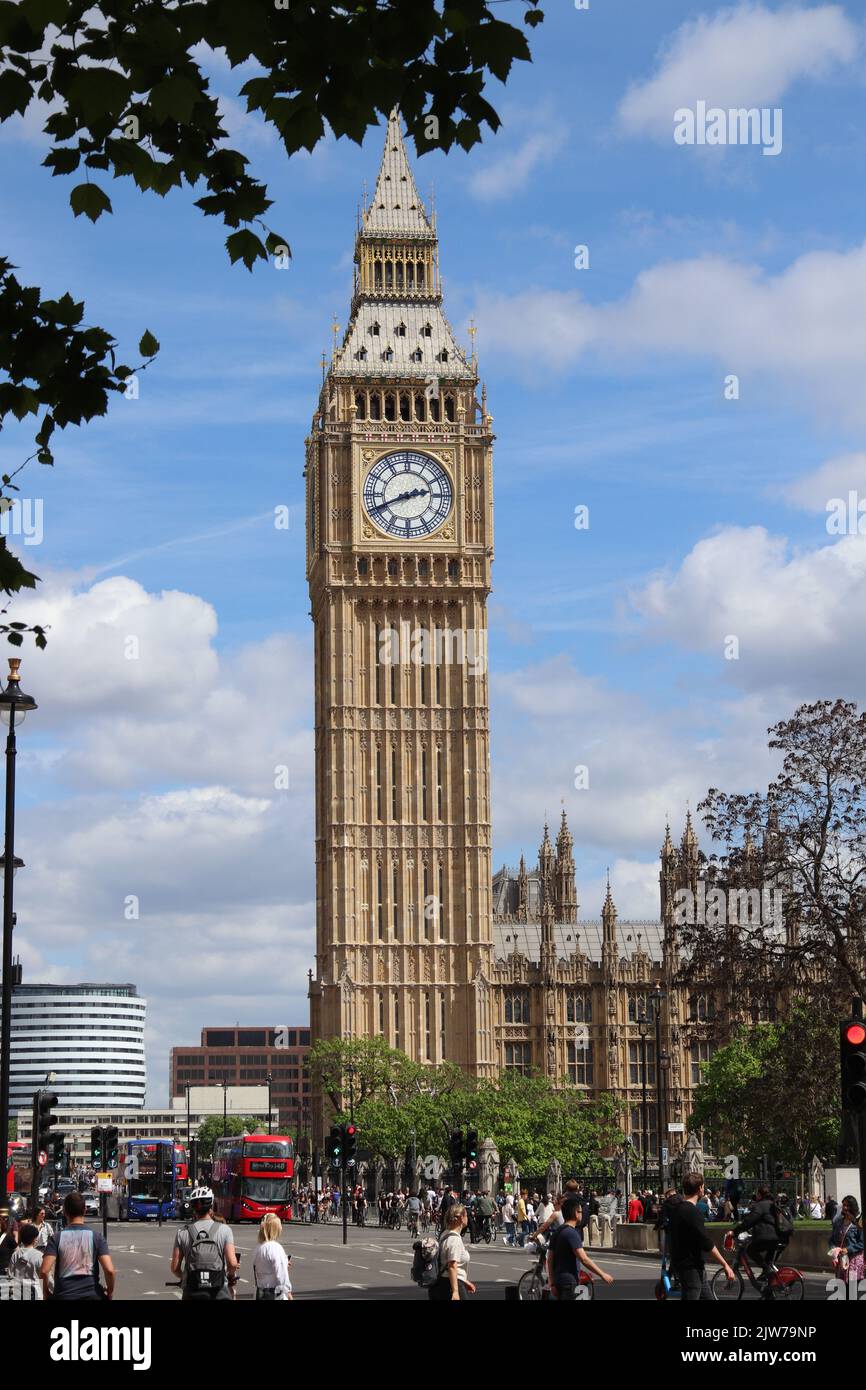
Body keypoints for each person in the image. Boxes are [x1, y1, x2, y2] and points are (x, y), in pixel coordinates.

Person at [668, 1173, 734, 1301]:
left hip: (688, 1266)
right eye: (703, 1186)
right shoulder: (692, 1212)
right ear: (700, 1188)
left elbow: (672, 1242)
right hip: (691, 1268)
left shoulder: (677, 1210)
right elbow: (706, 1242)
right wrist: (725, 1264)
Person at [40, 1193, 114, 1301]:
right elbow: (109, 1270)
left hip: (63, 1294)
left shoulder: (56, 1238)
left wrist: (46, 1293)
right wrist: (110, 1292)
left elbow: (44, 1271)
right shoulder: (96, 1237)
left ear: (65, 1212)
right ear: (84, 1210)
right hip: (92, 1294)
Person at [171, 1185, 238, 1301]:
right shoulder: (224, 1230)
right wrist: (229, 1276)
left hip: (192, 1292)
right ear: (211, 1205)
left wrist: (185, 1278)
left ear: (193, 1207)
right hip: (218, 1292)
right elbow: (232, 1263)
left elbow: (174, 1268)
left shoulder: (182, 1232)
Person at [548, 1196, 615, 1300]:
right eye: (581, 1211)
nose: (582, 1214)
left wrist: (552, 1283)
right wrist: (602, 1274)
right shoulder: (572, 1233)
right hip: (569, 1283)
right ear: (576, 1213)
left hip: (558, 1281)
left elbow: (550, 1259)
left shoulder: (557, 1231)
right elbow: (584, 1259)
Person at [732, 1185, 780, 1289]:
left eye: (757, 1194)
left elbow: (749, 1221)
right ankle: (768, 1291)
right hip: (776, 1237)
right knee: (767, 1265)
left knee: (750, 1250)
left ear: (759, 1195)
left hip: (767, 1236)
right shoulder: (772, 1204)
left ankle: (768, 1271)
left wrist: (735, 1232)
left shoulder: (760, 1205)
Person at [428, 1203, 476, 1301]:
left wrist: (464, 1280)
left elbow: (444, 1262)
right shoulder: (455, 1240)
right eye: (466, 1215)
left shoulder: (445, 1234)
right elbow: (452, 1266)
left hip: (440, 1283)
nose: (468, 1218)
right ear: (461, 1218)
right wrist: (455, 1291)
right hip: (450, 1285)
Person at [252, 1213, 293, 1300]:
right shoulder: (275, 1247)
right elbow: (281, 1274)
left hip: (260, 1292)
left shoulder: (259, 1247)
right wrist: (288, 1292)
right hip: (274, 1293)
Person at [830, 1195, 864, 1286]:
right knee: (842, 1291)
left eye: (848, 1205)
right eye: (844, 1205)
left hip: (854, 1263)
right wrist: (834, 1252)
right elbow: (832, 1240)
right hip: (842, 1263)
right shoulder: (838, 1222)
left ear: (853, 1207)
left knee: (852, 1292)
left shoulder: (858, 1223)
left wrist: (848, 1249)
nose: (845, 1207)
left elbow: (862, 1243)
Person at [9, 1222, 43, 1297]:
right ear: (34, 1239)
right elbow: (44, 1275)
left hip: (18, 1293)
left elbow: (10, 1274)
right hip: (35, 1293)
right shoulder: (39, 1255)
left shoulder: (15, 1254)